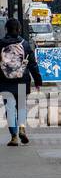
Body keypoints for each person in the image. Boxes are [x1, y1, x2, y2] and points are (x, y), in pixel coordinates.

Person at [1, 18, 41, 146]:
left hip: (5, 81)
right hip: (22, 80)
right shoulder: (25, 44)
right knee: (22, 107)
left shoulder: (1, 43)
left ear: (6, 29)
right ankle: (22, 128)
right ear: (19, 29)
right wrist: (38, 80)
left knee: (10, 108)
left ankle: (13, 137)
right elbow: (33, 65)